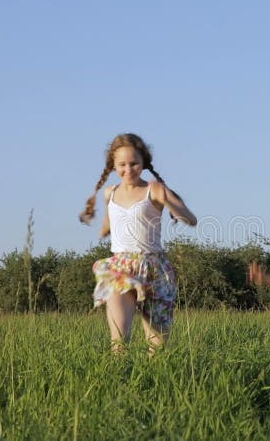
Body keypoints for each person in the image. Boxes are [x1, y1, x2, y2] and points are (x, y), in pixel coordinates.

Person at [79, 133, 197, 355]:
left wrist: (172, 204)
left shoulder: (154, 190)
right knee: (119, 344)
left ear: (143, 163)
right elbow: (108, 224)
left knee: (157, 349)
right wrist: (101, 230)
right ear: (113, 165)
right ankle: (118, 385)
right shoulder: (110, 193)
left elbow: (191, 219)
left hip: (155, 269)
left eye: (134, 164)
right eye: (122, 165)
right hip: (120, 269)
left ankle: (152, 386)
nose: (128, 170)